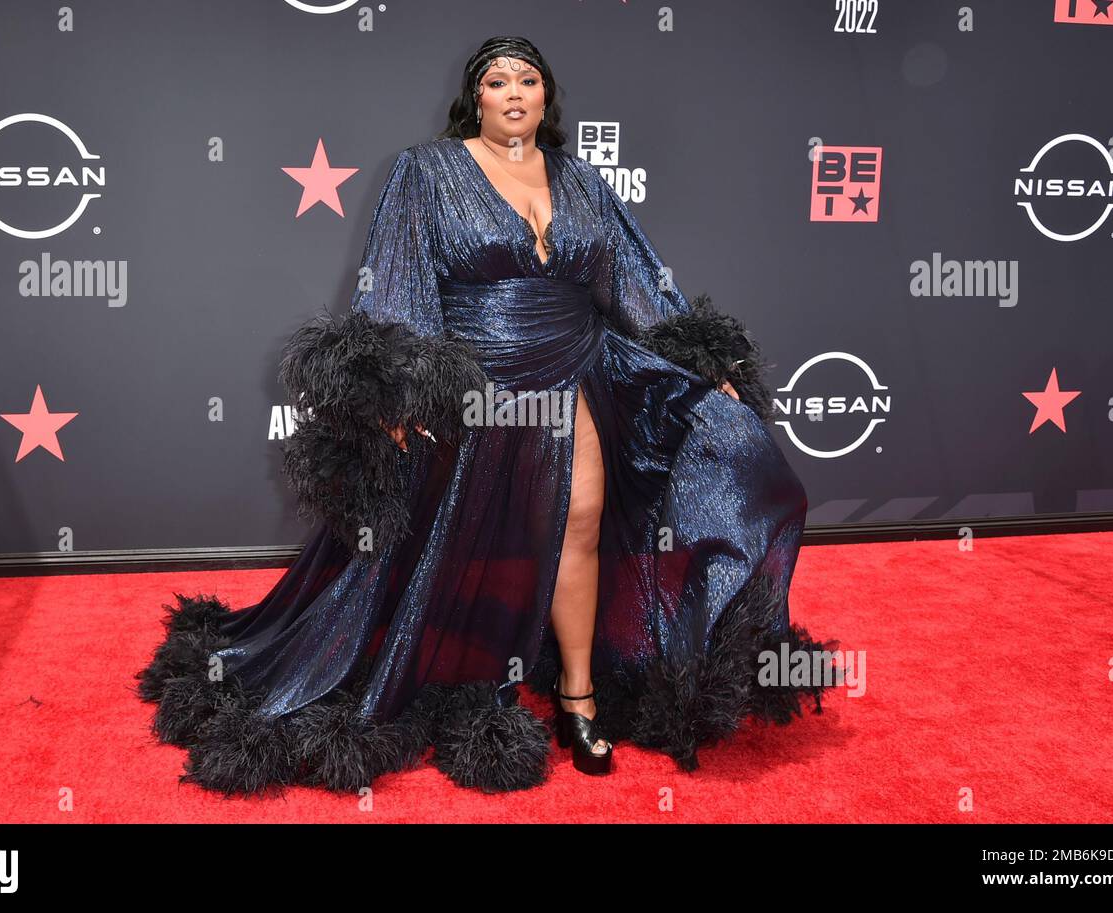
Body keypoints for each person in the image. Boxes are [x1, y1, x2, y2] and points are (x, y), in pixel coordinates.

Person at [135, 35, 840, 796]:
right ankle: (462, 671)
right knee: (446, 548)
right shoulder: (425, 171)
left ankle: (579, 696)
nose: (513, 91)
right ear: (476, 96)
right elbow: (399, 280)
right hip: (480, 386)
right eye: (497, 79)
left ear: (546, 97)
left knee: (584, 518)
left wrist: (705, 364)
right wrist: (401, 391)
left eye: (528, 79)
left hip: (579, 368)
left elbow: (633, 282)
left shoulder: (581, 180)